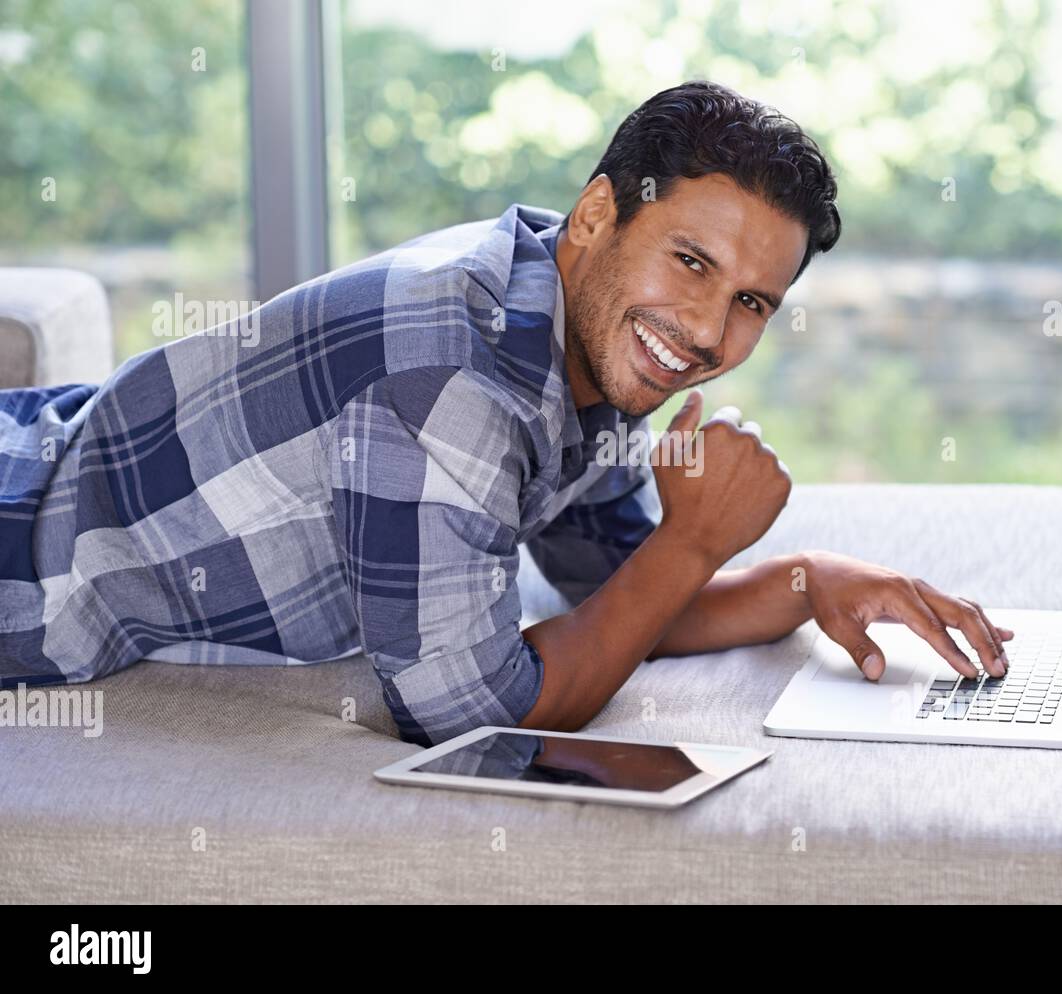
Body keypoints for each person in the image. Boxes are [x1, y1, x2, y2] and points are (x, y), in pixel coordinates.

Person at [0, 80, 1010, 747]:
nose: (707, 330)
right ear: (597, 213)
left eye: (751, 302)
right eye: (691, 262)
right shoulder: (450, 382)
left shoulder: (578, 323)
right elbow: (476, 713)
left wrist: (806, 579)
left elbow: (616, 593)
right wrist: (695, 540)